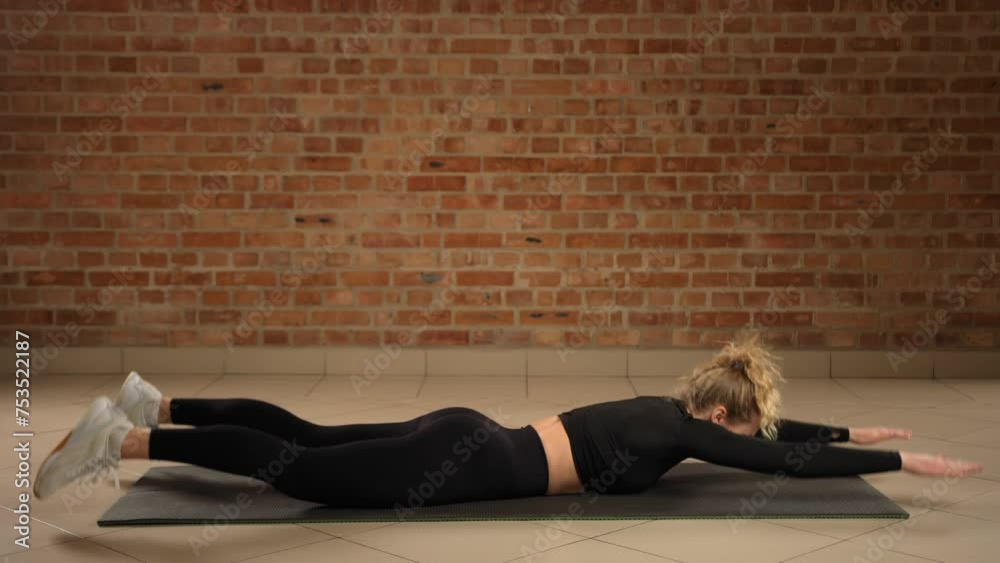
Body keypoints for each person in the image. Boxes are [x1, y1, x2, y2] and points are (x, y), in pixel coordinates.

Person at [34, 337, 983, 506]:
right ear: (717, 413)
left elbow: (779, 438)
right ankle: (116, 440)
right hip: (469, 465)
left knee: (315, 436)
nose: (735, 440)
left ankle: (156, 403)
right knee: (295, 468)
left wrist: (858, 436)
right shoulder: (687, 431)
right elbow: (778, 462)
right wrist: (900, 461)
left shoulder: (667, 407)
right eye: (735, 427)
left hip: (471, 431)